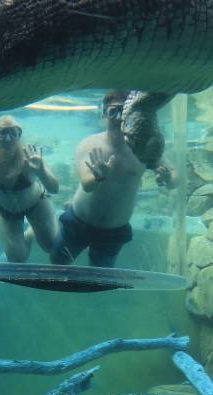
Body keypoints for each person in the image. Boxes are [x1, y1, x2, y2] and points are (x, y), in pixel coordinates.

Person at [50, 90, 175, 268]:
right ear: (103, 115)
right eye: (112, 112)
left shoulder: (142, 146)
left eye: (122, 112)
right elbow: (87, 184)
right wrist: (97, 177)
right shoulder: (90, 144)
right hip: (79, 221)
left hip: (113, 231)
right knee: (58, 261)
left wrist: (168, 178)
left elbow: (174, 176)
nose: (118, 119)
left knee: (100, 275)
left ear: (131, 115)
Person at [0, 116, 61, 262]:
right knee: (17, 258)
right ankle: (30, 233)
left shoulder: (29, 155)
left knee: (51, 246)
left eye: (13, 133)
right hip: (5, 210)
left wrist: (41, 171)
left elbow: (54, 188)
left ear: (19, 136)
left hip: (37, 204)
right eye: (3, 133)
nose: (7, 138)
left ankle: (35, 229)